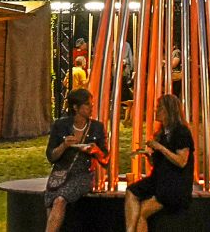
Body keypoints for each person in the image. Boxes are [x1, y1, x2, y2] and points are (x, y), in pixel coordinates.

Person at [123, 93, 194, 232]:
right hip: (159, 179)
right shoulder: (161, 133)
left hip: (175, 184)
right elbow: (157, 164)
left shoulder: (181, 132)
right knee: (131, 192)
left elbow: (181, 162)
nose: (156, 111)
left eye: (159, 108)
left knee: (141, 214)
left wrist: (160, 148)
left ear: (169, 111)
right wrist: (149, 155)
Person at [41, 87, 108, 232]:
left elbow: (106, 160)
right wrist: (64, 145)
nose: (91, 108)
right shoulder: (61, 125)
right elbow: (51, 156)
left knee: (59, 200)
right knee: (51, 202)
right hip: (60, 173)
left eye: (92, 104)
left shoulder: (96, 127)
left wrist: (95, 150)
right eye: (88, 104)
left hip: (82, 173)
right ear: (76, 107)